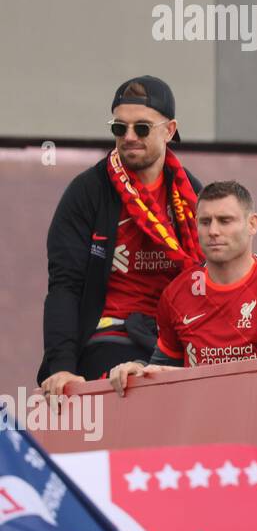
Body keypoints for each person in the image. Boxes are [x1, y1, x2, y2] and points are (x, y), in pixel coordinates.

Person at [39, 76, 203, 396]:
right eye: (119, 128)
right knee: (140, 390)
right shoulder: (87, 192)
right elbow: (64, 285)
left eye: (142, 128)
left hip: (175, 338)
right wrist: (61, 368)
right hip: (109, 336)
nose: (129, 137)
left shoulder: (192, 195)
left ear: (169, 130)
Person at [107, 181, 257, 394]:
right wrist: (139, 370)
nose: (213, 231)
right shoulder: (176, 293)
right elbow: (163, 368)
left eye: (225, 221)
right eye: (205, 222)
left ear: (252, 224)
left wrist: (191, 378)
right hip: (195, 420)